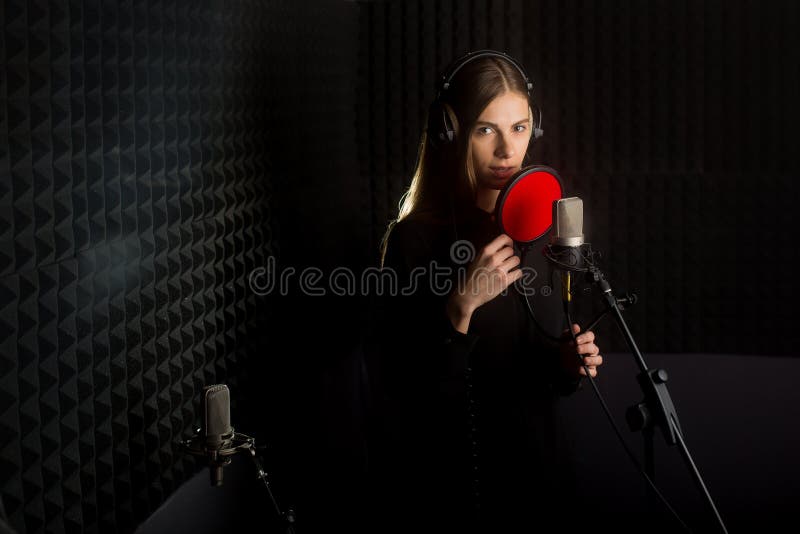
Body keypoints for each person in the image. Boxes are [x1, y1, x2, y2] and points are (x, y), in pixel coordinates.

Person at [364, 50, 604, 533]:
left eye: (519, 128)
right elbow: (403, 392)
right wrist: (461, 305)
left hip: (544, 481)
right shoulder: (415, 240)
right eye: (485, 130)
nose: (506, 150)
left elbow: (536, 371)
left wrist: (566, 365)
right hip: (457, 490)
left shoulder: (544, 231)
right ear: (451, 134)